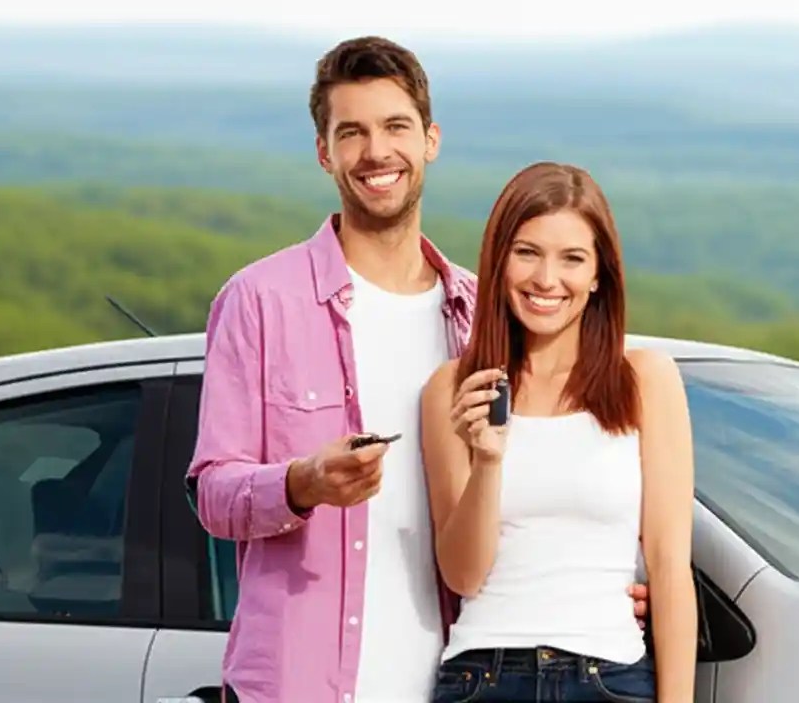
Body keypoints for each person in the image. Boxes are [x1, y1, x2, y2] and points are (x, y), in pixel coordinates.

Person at [184, 38, 650, 703]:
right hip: (301, 686)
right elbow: (213, 495)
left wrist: (618, 585)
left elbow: (567, 464)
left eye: (396, 127)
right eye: (352, 133)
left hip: (454, 680)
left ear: (430, 140)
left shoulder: (480, 314)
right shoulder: (260, 302)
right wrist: (303, 481)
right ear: (325, 153)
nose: (377, 152)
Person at [419, 161, 699, 703]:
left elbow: (669, 566)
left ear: (598, 275)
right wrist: (488, 461)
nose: (547, 280)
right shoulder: (453, 388)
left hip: (610, 676)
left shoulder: (645, 380)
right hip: (483, 679)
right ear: (498, 261)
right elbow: (462, 575)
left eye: (572, 258)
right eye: (527, 253)